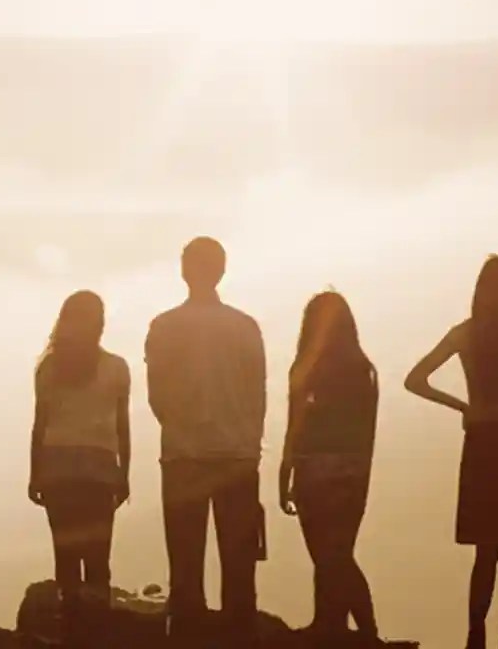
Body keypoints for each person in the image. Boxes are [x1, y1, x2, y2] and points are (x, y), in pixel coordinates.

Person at [145, 237, 267, 645]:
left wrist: (181, 425)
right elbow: (258, 393)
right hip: (237, 455)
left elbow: (156, 394)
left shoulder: (164, 326)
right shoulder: (245, 326)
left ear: (184, 270)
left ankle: (186, 637)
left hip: (183, 455)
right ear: (222, 270)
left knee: (185, 566)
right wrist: (251, 444)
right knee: (239, 566)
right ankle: (240, 637)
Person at [405, 255, 498, 649]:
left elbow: (415, 379)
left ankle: (475, 635)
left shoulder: (465, 334)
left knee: (485, 551)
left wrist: (463, 407)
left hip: (483, 444)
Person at [28, 292, 131, 645]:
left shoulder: (49, 368)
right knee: (98, 560)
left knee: (66, 558)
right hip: (100, 472)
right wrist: (125, 472)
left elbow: (39, 425)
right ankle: (97, 635)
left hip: (58, 471)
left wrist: (34, 473)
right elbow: (122, 426)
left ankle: (71, 633)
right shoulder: (116, 367)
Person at [279, 292, 379, 641]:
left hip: (314, 470)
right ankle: (334, 622)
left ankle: (355, 627)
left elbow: (296, 423)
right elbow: (369, 430)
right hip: (352, 472)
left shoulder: (306, 366)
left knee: (325, 553)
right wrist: (363, 473)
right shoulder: (362, 369)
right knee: (338, 554)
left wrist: (285, 469)